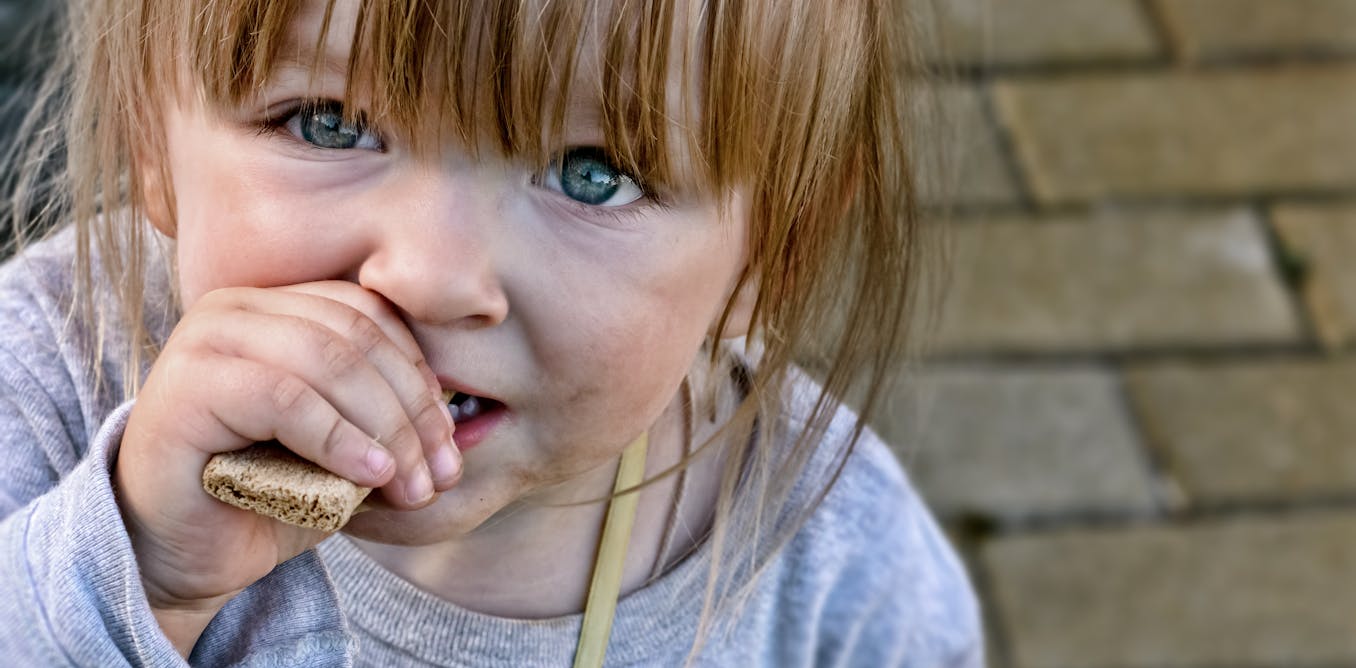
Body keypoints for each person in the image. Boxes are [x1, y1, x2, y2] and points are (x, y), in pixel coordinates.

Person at [0, 0, 982, 665]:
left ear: (772, 249)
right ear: (150, 137)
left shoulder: (841, 578)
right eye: (330, 123)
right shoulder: (47, 375)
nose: (429, 275)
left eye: (594, 171)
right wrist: (138, 566)